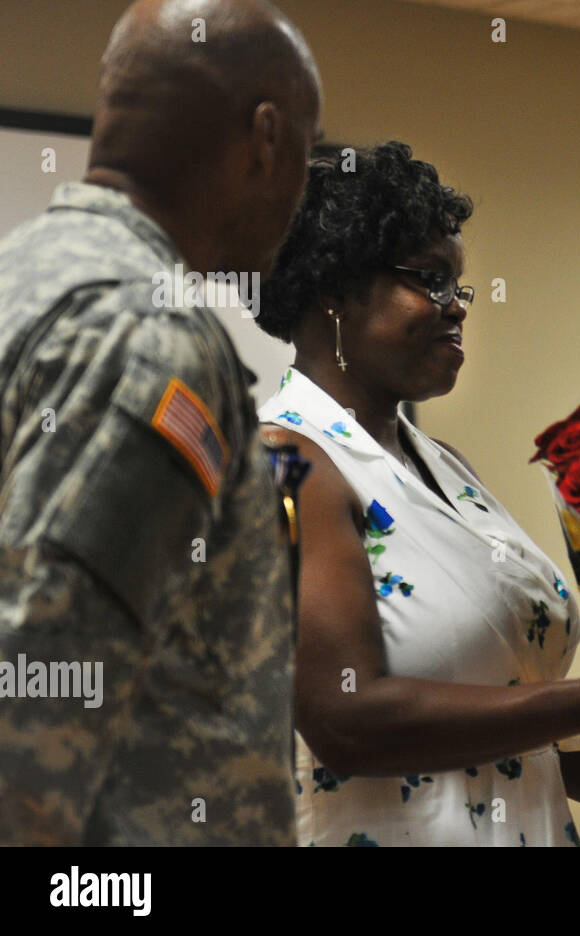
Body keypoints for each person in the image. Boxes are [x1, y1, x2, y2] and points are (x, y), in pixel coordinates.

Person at [256, 141, 580, 846]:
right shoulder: (284, 462)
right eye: (429, 280)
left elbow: (521, 725)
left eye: (458, 286)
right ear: (332, 290)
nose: (457, 308)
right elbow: (348, 723)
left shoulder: (442, 466)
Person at [0, 0, 322, 845]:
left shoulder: (20, 277)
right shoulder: (151, 335)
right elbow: (40, 698)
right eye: (304, 152)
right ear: (265, 139)